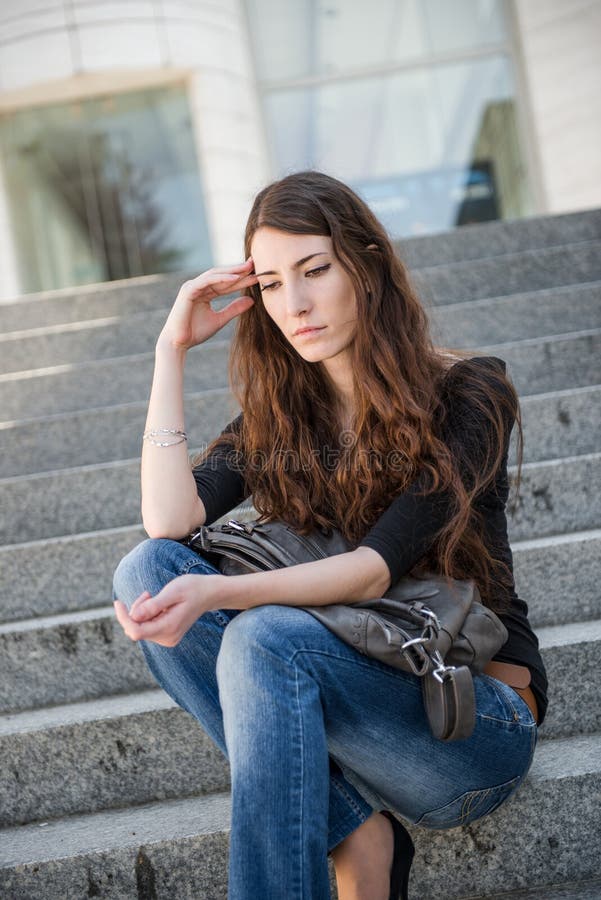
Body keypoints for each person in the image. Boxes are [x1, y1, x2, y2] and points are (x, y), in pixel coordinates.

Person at [112, 170, 548, 900]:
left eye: (314, 270)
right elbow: (169, 522)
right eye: (272, 283)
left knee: (263, 636)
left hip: (466, 720)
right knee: (145, 569)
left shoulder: (471, 393)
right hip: (350, 678)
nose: (295, 304)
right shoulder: (283, 415)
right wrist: (170, 352)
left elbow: (374, 571)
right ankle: (355, 828)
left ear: (366, 266)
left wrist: (219, 593)